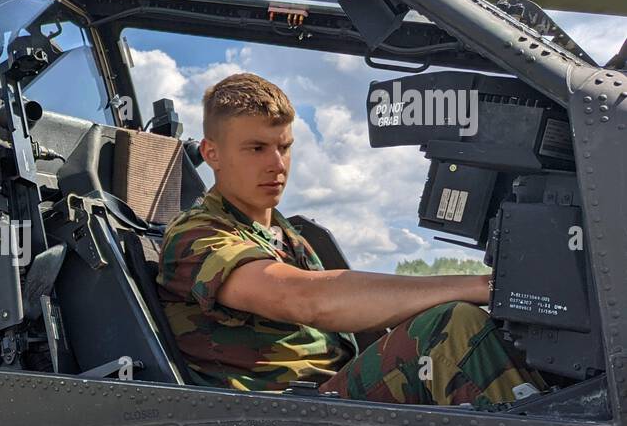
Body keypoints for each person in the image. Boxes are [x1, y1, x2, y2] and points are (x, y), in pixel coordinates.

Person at [158, 72, 543, 406]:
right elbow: (305, 298)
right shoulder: (197, 233)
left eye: (284, 147)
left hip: (324, 396)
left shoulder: (286, 233)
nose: (276, 164)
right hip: (273, 415)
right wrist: (480, 286)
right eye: (256, 148)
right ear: (212, 153)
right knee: (450, 327)